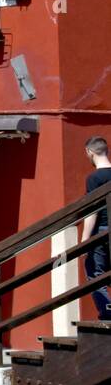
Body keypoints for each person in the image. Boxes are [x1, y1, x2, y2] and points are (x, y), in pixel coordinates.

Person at [82, 136, 111, 320]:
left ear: (90, 152)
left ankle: (107, 311)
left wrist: (84, 239)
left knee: (95, 273)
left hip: (101, 230)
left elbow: (92, 211)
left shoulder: (94, 178)